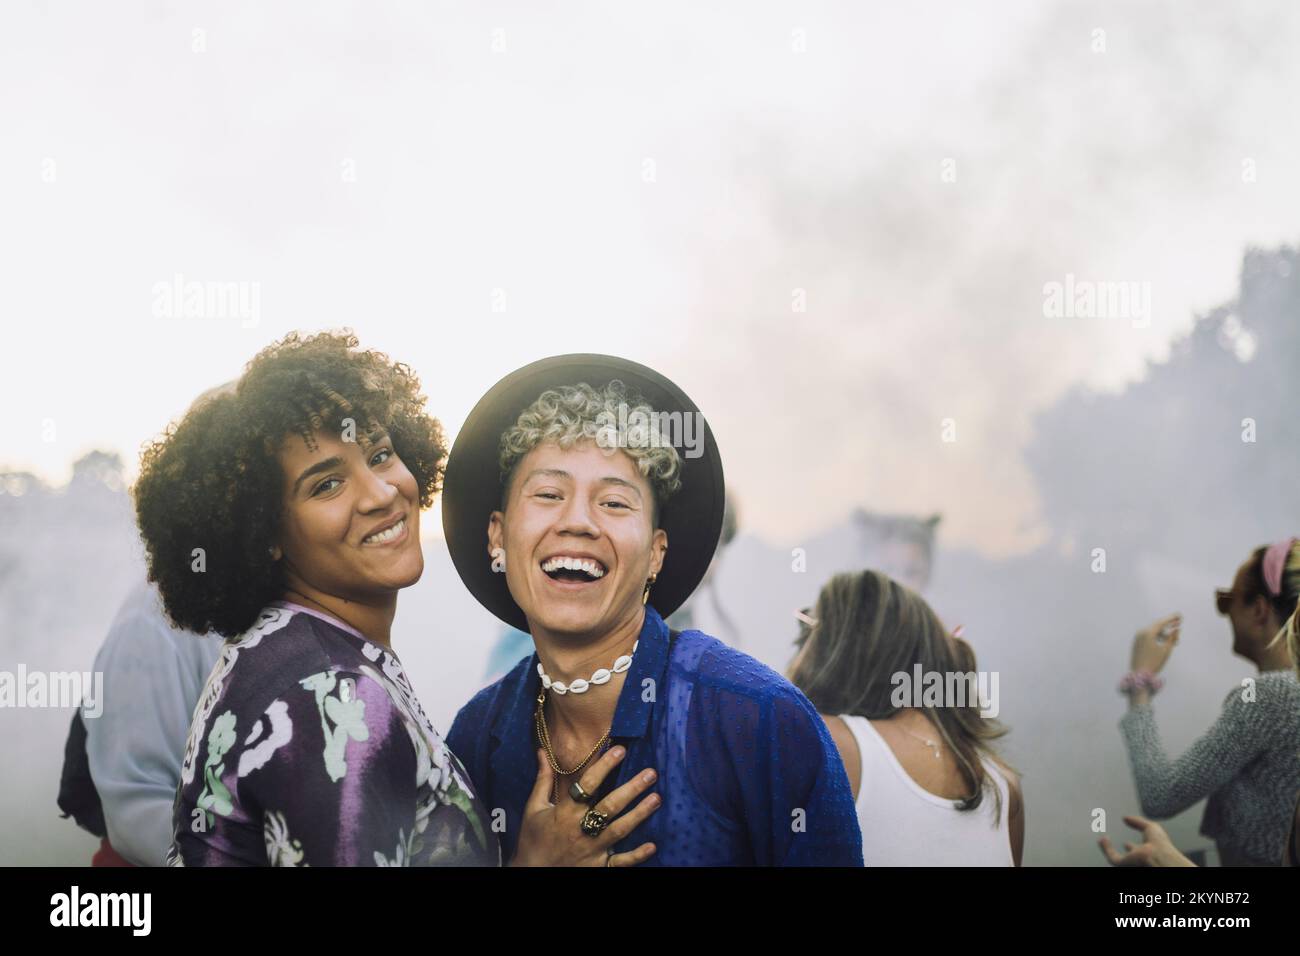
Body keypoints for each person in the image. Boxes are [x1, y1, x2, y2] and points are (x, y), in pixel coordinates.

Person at [133, 331, 657, 867]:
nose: (381, 493)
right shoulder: (331, 694)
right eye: (326, 485)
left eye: (380, 455)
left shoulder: (282, 649)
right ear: (263, 531)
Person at [443, 355, 863, 866]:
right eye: (549, 494)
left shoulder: (758, 720)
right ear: (498, 537)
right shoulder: (475, 739)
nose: (578, 521)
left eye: (615, 503)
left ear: (656, 554)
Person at [787, 569, 1022, 866]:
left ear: (839, 649)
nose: (798, 653)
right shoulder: (1002, 783)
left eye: (807, 630)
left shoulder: (827, 743)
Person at [1118, 538, 1300, 866]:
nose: (1225, 612)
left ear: (1259, 610)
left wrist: (1139, 681)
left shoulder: (1273, 696)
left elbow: (1160, 795)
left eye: (1226, 599)